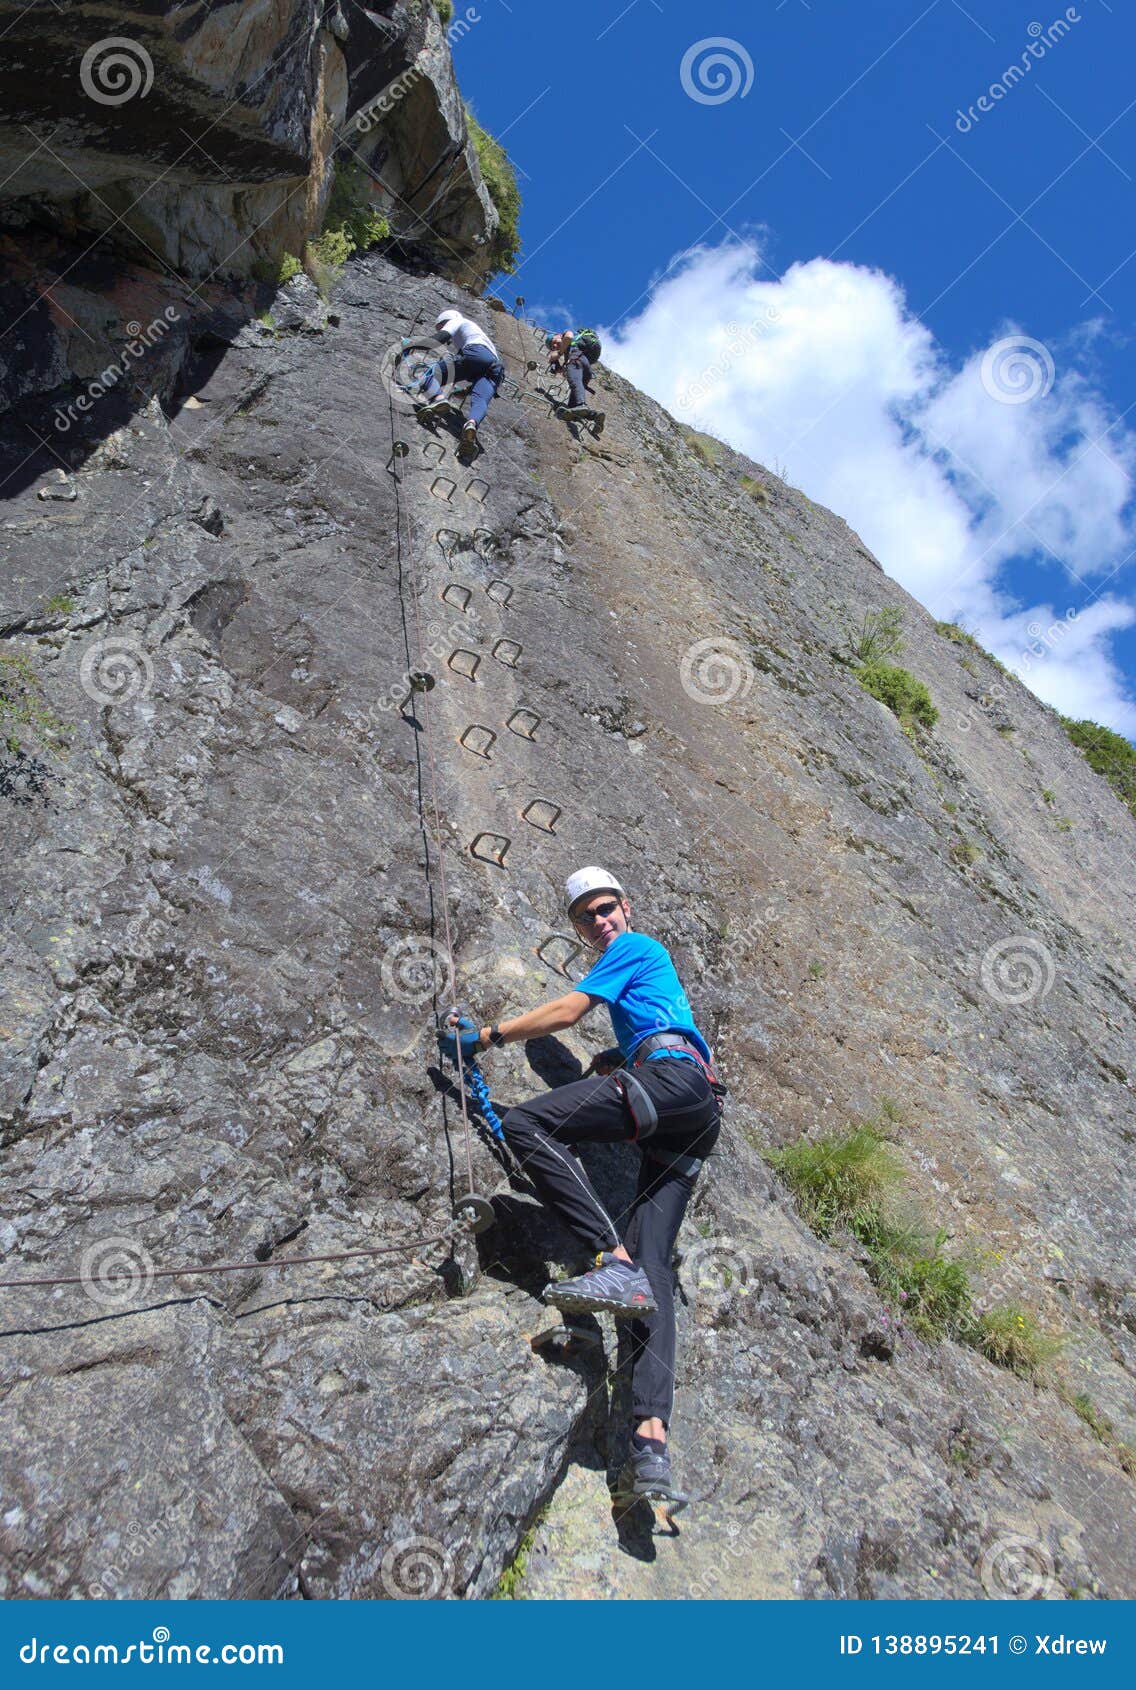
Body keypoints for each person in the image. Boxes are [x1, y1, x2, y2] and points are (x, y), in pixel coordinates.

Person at [437, 866, 723, 1503]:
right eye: (586, 916)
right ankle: (650, 1444)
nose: (599, 921)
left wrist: (485, 1037)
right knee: (653, 1269)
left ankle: (607, 1259)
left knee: (527, 1122)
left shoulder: (635, 946)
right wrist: (621, 1056)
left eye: (605, 908)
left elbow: (569, 1012)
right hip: (697, 1114)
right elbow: (659, 1021)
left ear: (626, 906)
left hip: (672, 1082)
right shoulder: (646, 974)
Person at [416, 308, 505, 454]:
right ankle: (471, 424)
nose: (450, 340)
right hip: (496, 369)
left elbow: (440, 338)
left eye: (441, 326)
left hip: (476, 353)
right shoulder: (476, 334)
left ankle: (439, 399)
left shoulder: (457, 321)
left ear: (446, 320)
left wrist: (412, 345)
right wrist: (465, 391)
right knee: (480, 400)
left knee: (429, 374)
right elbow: (480, 368)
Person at [547, 328, 605, 435]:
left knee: (577, 393)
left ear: (558, 335)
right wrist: (558, 364)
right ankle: (595, 416)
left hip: (577, 360)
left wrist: (558, 353)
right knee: (572, 408)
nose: (554, 346)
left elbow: (568, 337)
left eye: (553, 342)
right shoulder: (569, 352)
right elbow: (566, 369)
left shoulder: (566, 334)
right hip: (585, 365)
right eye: (552, 347)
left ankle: (582, 405)